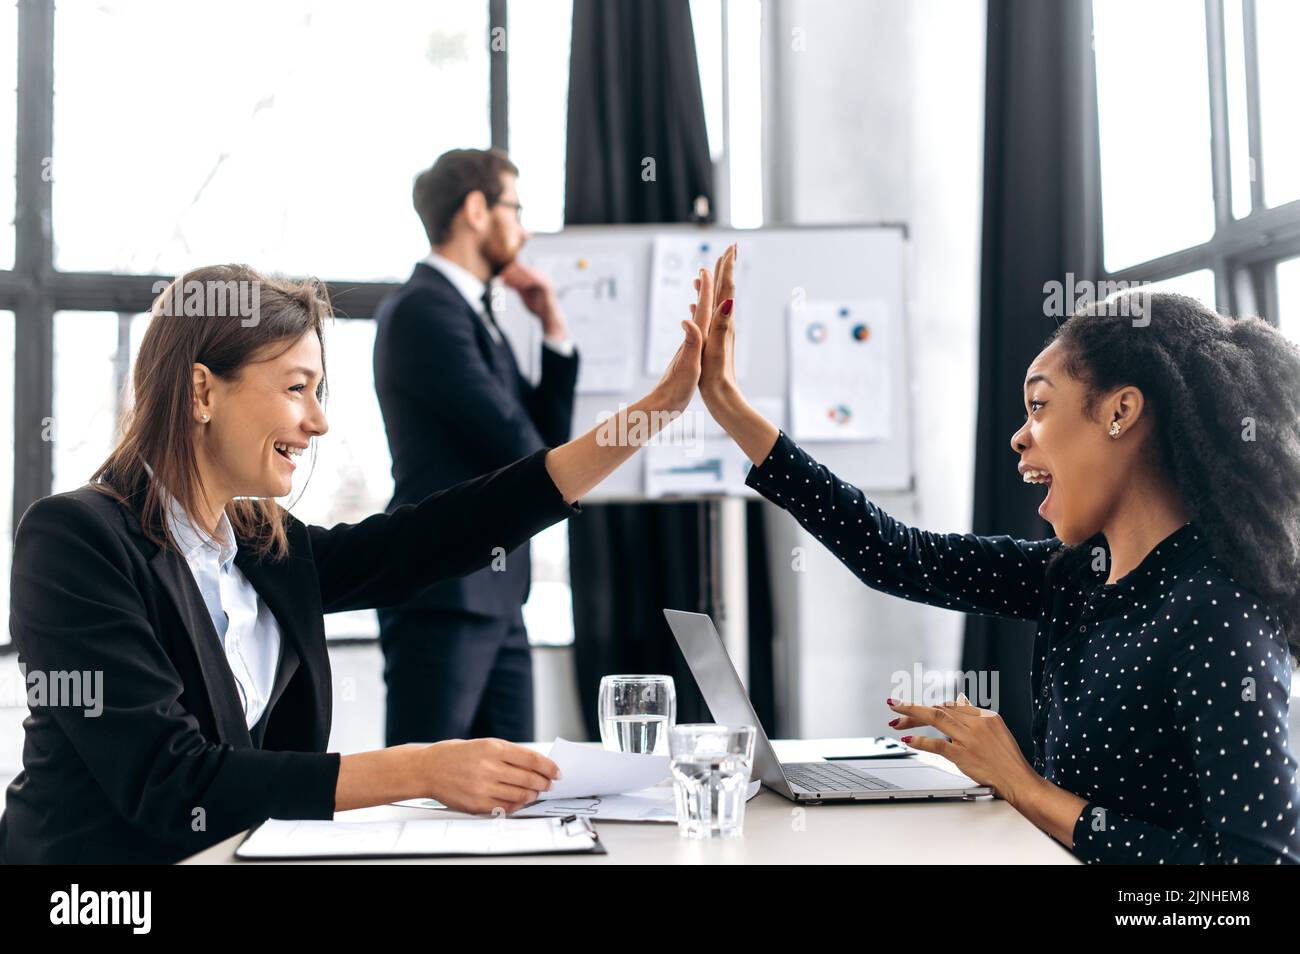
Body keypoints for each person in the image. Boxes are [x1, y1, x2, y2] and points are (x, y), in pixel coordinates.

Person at [0, 251, 733, 864]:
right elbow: (168, 780)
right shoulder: (75, 541)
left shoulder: (260, 547)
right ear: (201, 391)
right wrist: (421, 768)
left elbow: (434, 537)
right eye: (297, 389)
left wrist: (654, 414)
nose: (317, 422)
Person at [697, 249, 1300, 864]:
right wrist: (727, 404)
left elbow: (1256, 871)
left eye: (1039, 406)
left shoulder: (1217, 612)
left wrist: (1022, 785)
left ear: (1120, 412)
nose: (1018, 435)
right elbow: (896, 555)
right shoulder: (1079, 576)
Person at [373, 148, 577, 746]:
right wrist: (546, 460)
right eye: (516, 207)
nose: (526, 227)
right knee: (421, 795)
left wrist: (553, 328)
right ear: (476, 210)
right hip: (443, 593)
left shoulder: (471, 313)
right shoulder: (424, 310)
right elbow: (520, 447)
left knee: (514, 793)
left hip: (497, 594)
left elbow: (546, 451)